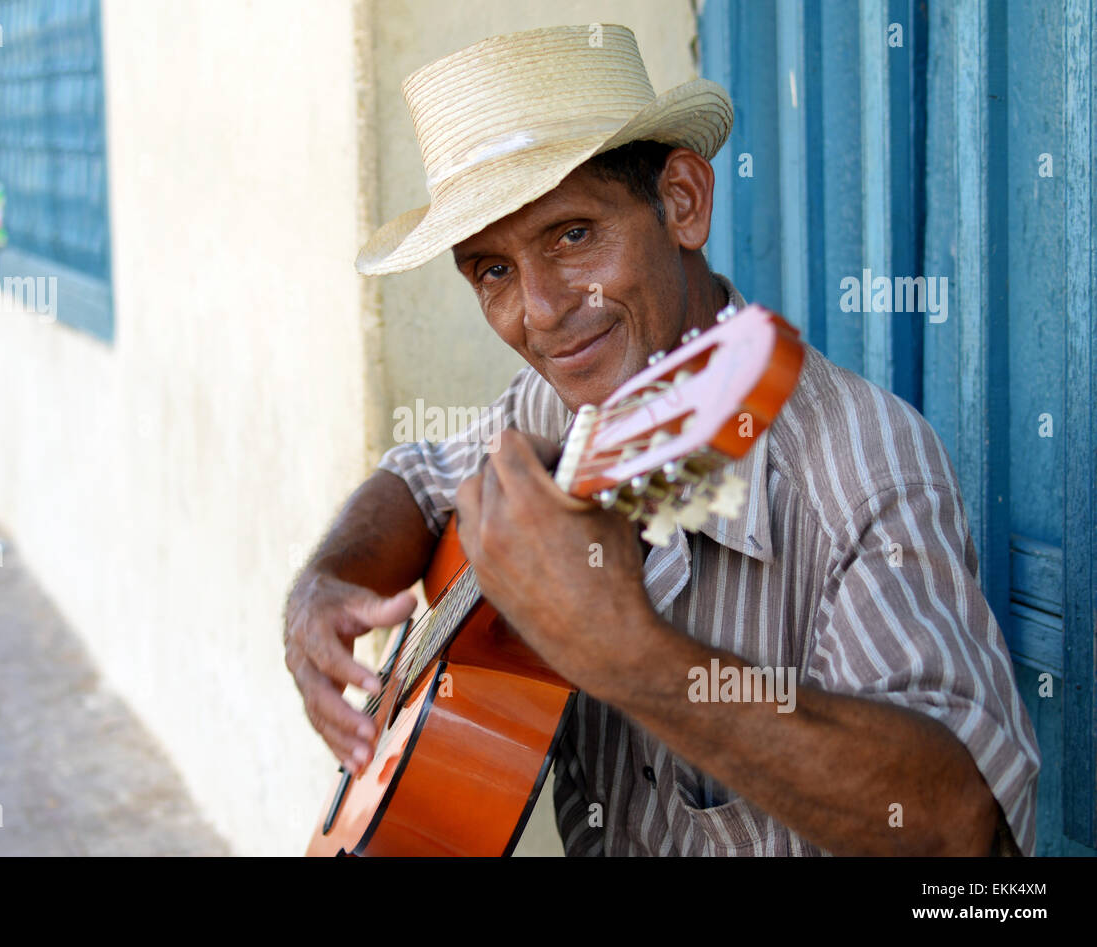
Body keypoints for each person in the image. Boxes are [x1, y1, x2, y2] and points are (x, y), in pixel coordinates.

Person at [283, 24, 1039, 855]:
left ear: (682, 201)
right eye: (492, 269)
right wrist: (325, 584)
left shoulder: (862, 470)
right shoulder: (550, 406)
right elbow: (419, 480)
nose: (540, 311)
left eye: (572, 234)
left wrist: (629, 654)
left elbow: (965, 834)